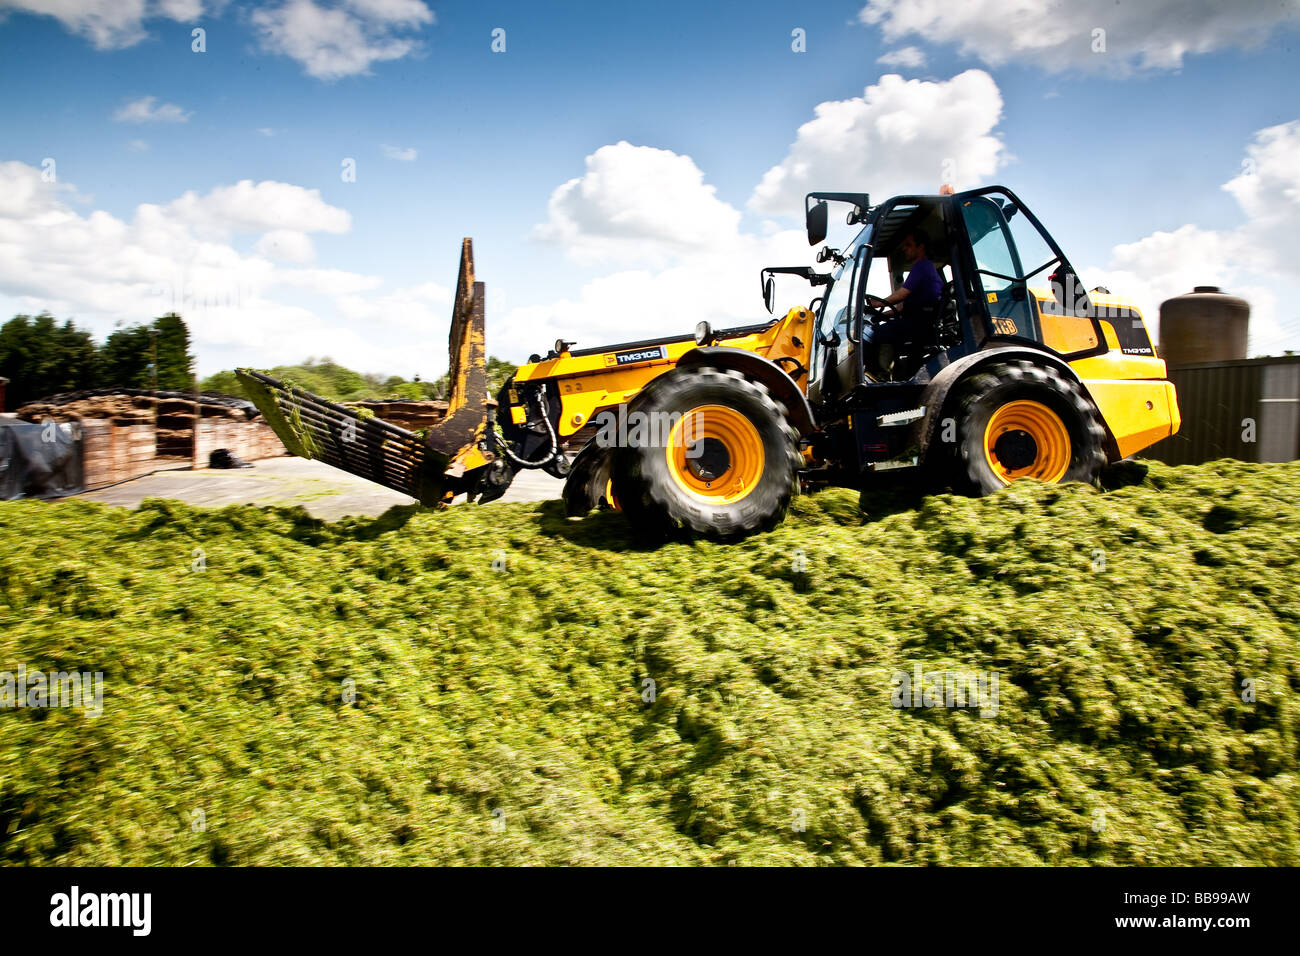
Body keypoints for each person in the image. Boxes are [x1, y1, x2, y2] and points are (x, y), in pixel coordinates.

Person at [867, 229, 943, 376]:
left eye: (908, 245)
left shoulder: (922, 266)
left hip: (919, 323)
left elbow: (902, 294)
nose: (903, 249)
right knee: (884, 326)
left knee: (875, 334)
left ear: (920, 247)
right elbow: (903, 306)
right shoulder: (925, 268)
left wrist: (878, 304)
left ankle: (878, 374)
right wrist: (881, 315)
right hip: (918, 320)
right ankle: (893, 372)